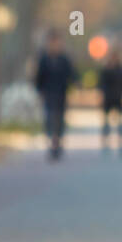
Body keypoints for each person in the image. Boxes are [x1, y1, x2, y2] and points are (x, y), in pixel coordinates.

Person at [34, 29, 77, 160]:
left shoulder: (64, 59)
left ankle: (58, 141)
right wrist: (39, 91)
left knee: (60, 120)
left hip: (61, 94)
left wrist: (74, 85)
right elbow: (39, 78)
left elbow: (72, 75)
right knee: (49, 119)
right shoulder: (44, 59)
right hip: (48, 94)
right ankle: (52, 143)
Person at [98, 47, 122, 157]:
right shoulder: (105, 70)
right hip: (108, 99)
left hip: (118, 99)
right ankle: (106, 144)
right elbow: (101, 86)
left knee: (121, 124)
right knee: (106, 124)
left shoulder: (121, 70)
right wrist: (101, 98)